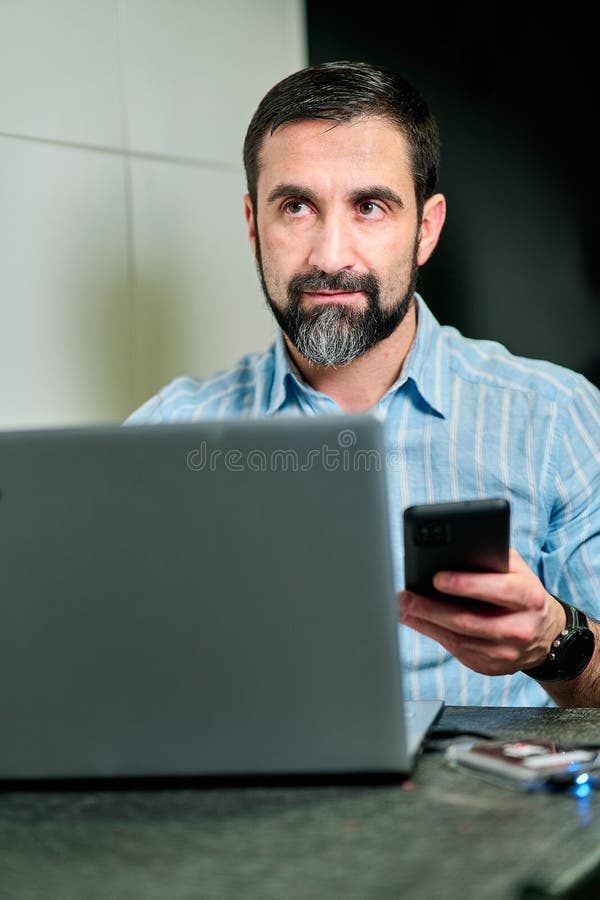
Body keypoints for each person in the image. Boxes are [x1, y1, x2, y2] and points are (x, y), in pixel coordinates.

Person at [127, 61, 600, 707]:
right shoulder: (166, 434)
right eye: (296, 206)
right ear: (251, 225)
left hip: (488, 805)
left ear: (426, 230)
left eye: (370, 207)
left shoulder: (555, 418)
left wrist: (555, 642)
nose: (330, 255)